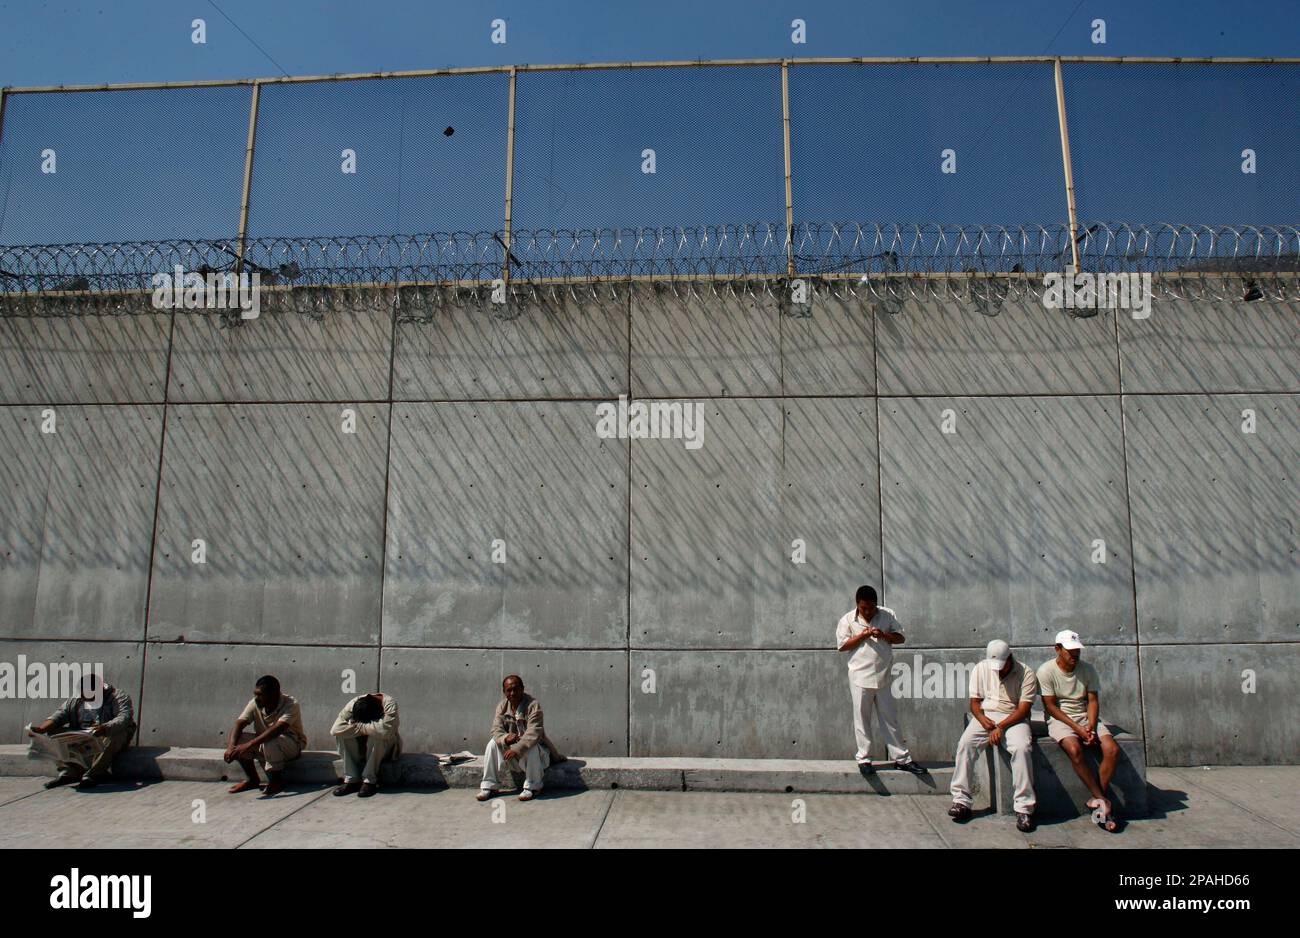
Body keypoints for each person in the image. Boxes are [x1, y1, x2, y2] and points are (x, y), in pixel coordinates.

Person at [948, 639, 1038, 831]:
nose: (998, 670)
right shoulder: (981, 668)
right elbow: (974, 702)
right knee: (965, 744)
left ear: (1010, 658)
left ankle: (1024, 808)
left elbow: (1024, 709)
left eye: (1002, 666)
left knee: (1022, 748)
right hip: (987, 715)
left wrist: (1001, 727)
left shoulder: (1026, 673)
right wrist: (981, 718)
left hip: (1014, 717)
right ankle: (961, 801)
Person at [835, 585, 924, 775]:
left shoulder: (887, 615)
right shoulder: (847, 620)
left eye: (871, 608)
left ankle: (901, 759)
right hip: (859, 676)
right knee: (862, 718)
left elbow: (901, 638)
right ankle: (864, 759)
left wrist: (883, 635)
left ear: (877, 604)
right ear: (857, 604)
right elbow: (842, 646)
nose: (868, 611)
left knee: (890, 718)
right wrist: (863, 635)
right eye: (863, 608)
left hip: (883, 675)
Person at [1038, 630, 1121, 832]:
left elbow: (1093, 701)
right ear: (1057, 649)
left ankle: (1097, 798)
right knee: (1074, 749)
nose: (1074, 655)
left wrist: (1090, 727)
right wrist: (1078, 729)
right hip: (1061, 719)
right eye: (1070, 651)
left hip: (1085, 717)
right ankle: (1103, 801)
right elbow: (1051, 707)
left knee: (1112, 749)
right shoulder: (1046, 671)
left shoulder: (1088, 670)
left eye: (1077, 651)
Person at [28, 673, 135, 789]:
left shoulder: (118, 696)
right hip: (84, 734)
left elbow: (124, 717)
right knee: (52, 734)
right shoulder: (76, 699)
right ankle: (69, 772)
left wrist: (105, 728)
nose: (87, 699)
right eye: (84, 696)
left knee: (113, 735)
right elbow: (59, 715)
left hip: (106, 733)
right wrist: (41, 729)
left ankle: (94, 774)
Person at [477, 675, 565, 802]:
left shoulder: (533, 705)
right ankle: (489, 786)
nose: (512, 693)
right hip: (512, 755)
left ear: (522, 689)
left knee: (532, 746)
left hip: (537, 756)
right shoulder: (502, 707)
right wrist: (506, 738)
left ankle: (533, 787)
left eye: (516, 689)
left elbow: (534, 733)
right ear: (504, 692)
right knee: (492, 743)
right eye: (509, 690)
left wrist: (517, 748)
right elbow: (496, 729)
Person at [224, 675, 307, 797]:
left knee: (271, 741)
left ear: (274, 694)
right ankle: (252, 780)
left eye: (260, 695)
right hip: (265, 744)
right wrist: (231, 747)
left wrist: (249, 745)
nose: (256, 698)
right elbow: (239, 723)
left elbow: (278, 729)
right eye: (255, 694)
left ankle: (276, 782)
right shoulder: (255, 703)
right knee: (238, 739)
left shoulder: (291, 704)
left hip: (291, 745)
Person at [330, 692, 401, 798]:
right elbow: (335, 730)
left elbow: (385, 731)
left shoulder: (389, 704)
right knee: (340, 735)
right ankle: (352, 780)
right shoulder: (353, 704)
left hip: (386, 748)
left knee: (377, 736)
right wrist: (369, 728)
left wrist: (358, 726)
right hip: (362, 748)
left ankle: (369, 781)